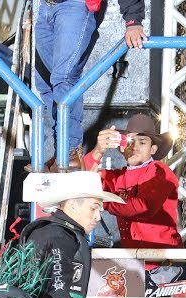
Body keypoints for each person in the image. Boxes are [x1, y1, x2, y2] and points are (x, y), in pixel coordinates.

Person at [83, 111, 186, 298]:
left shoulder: (161, 172)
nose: (134, 147)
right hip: (137, 266)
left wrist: (104, 201)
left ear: (154, 148)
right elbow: (82, 179)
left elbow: (142, 206)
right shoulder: (117, 176)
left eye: (142, 142)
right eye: (129, 141)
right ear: (121, 146)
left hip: (165, 265)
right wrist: (98, 151)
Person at [33, 0, 147, 170]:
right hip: (46, 7)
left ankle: (70, 152)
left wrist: (133, 21)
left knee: (64, 78)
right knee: (45, 83)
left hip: (76, 5)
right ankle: (61, 151)